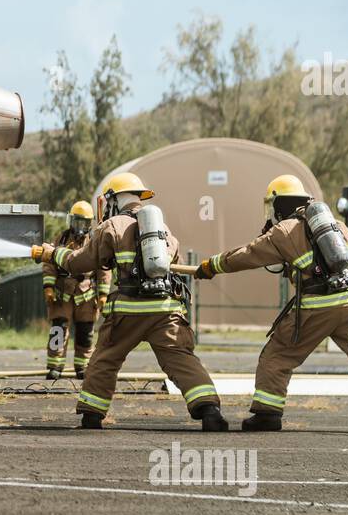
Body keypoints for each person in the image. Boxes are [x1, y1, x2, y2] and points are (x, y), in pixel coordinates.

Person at [193, 175, 348, 434]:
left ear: (279, 204)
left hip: (317, 308)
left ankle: (266, 414)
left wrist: (211, 266)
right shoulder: (336, 225)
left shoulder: (283, 232)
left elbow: (248, 255)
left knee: (278, 356)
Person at [32, 173, 227, 431]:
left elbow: (79, 262)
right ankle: (209, 410)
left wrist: (52, 254)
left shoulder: (111, 226)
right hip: (165, 310)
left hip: (129, 310)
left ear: (113, 199)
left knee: (106, 359)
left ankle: (92, 415)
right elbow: (173, 261)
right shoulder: (163, 230)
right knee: (182, 359)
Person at [42, 201, 110, 380]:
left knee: (85, 332)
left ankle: (83, 366)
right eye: (78, 222)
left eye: (85, 223)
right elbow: (49, 263)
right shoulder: (60, 240)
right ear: (71, 221)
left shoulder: (95, 241)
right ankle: (55, 367)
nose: (81, 227)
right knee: (58, 330)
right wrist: (48, 286)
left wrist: (103, 294)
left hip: (86, 295)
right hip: (62, 294)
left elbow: (104, 268)